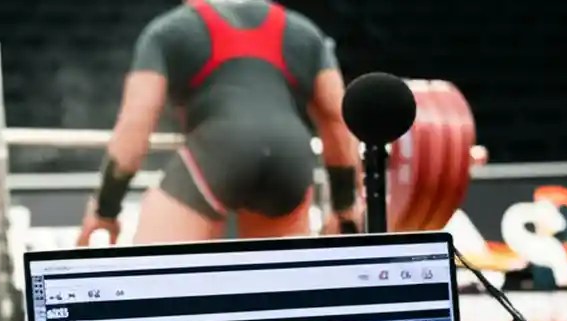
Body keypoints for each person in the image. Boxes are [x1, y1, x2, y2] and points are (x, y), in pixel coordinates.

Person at [78, 0, 362, 246]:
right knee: (271, 295)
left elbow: (134, 128)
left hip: (219, 155)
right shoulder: (304, 32)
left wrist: (105, 211)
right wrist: (344, 207)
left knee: (155, 284)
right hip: (290, 166)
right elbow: (338, 121)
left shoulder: (169, 30)